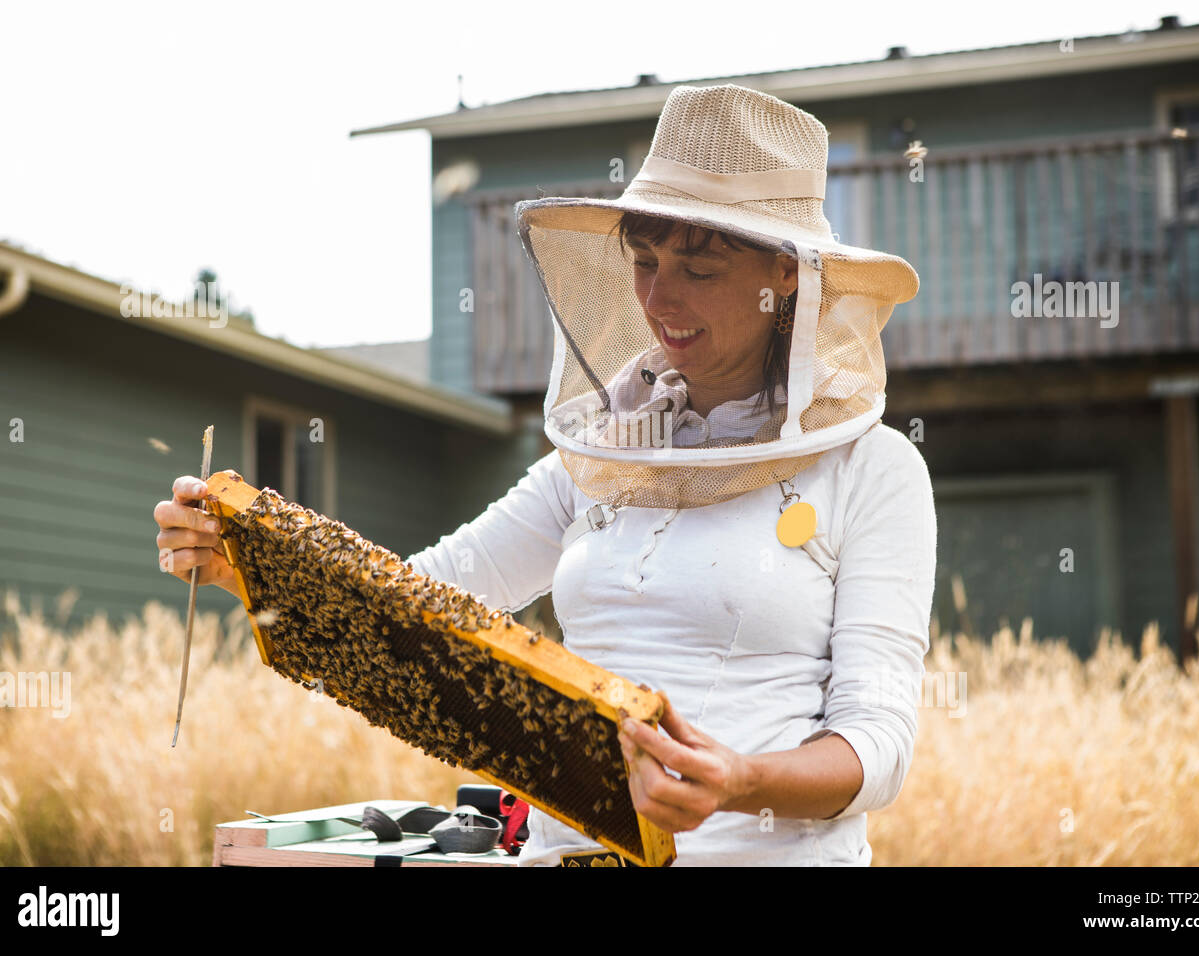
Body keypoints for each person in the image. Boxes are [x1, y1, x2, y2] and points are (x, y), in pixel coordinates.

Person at [153, 83, 937, 866]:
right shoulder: (602, 455)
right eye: (643, 261)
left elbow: (877, 744)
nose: (660, 299)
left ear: (788, 274)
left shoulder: (873, 471)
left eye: (698, 269)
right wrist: (253, 566)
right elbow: (428, 597)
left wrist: (736, 781)